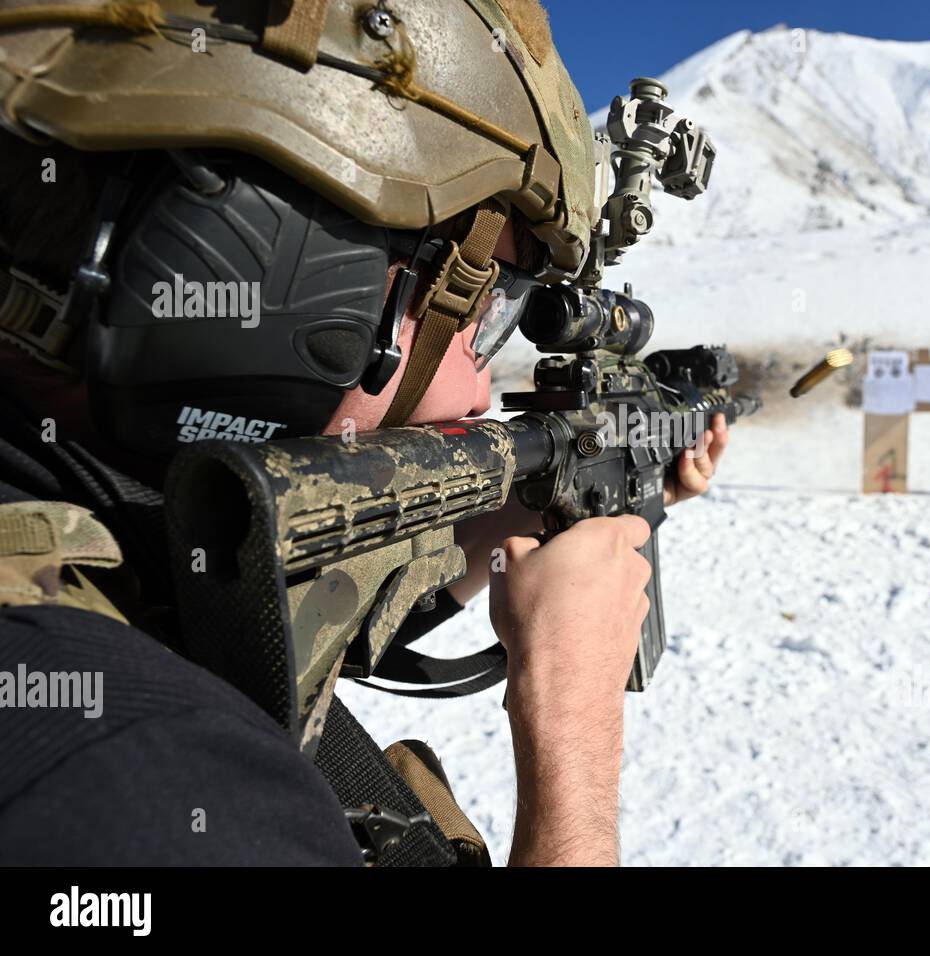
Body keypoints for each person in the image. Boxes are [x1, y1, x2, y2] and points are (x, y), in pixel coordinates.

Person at [0, 0, 727, 866]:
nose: (482, 381)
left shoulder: (96, 541)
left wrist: (524, 514)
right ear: (282, 273)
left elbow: (259, 601)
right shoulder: (150, 779)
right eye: (485, 310)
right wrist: (572, 721)